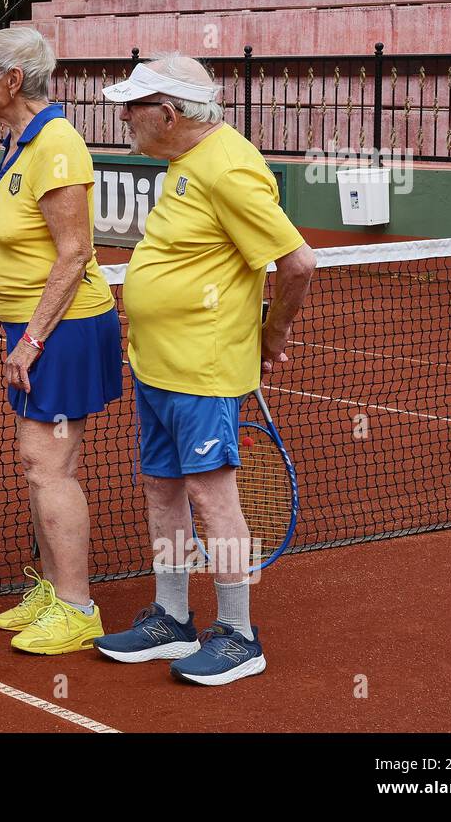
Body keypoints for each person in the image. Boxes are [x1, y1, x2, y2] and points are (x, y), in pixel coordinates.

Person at [95, 53, 315, 685]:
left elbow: (298, 264)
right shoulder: (185, 163)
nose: (125, 119)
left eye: (133, 108)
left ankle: (239, 635)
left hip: (203, 371)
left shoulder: (231, 168)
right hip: (158, 367)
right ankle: (171, 616)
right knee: (162, 488)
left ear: (167, 113)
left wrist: (270, 335)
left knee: (210, 496)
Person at [0, 27, 123, 655]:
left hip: (62, 328)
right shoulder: (19, 140)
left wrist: (32, 339)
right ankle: (55, 588)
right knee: (42, 465)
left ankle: (77, 606)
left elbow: (75, 253)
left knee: (48, 465)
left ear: (12, 80)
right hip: (35, 324)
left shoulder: (57, 144)